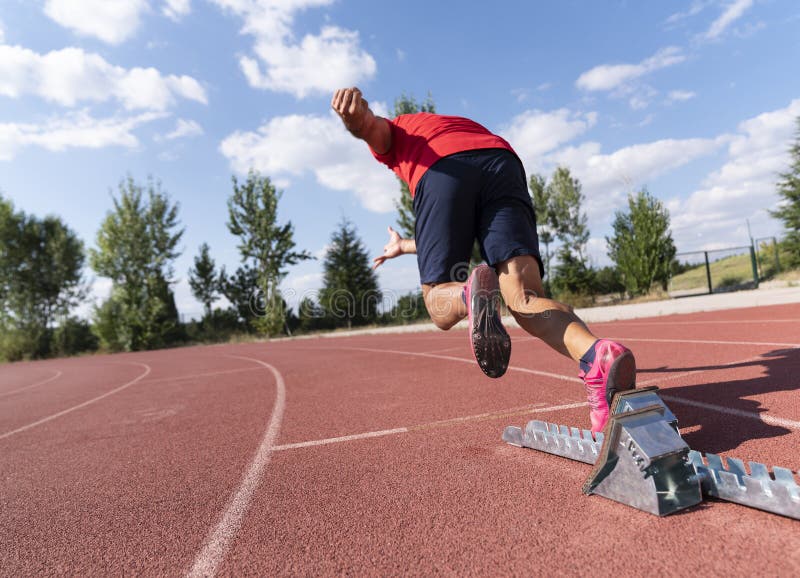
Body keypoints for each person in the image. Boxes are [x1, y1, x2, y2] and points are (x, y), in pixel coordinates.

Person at [330, 87, 636, 433]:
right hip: (501, 160)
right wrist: (404, 246)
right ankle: (596, 355)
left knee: (436, 301)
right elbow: (457, 228)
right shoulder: (453, 125)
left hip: (441, 168)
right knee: (524, 299)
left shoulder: (403, 136)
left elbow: (374, 129)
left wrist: (357, 123)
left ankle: (466, 297)